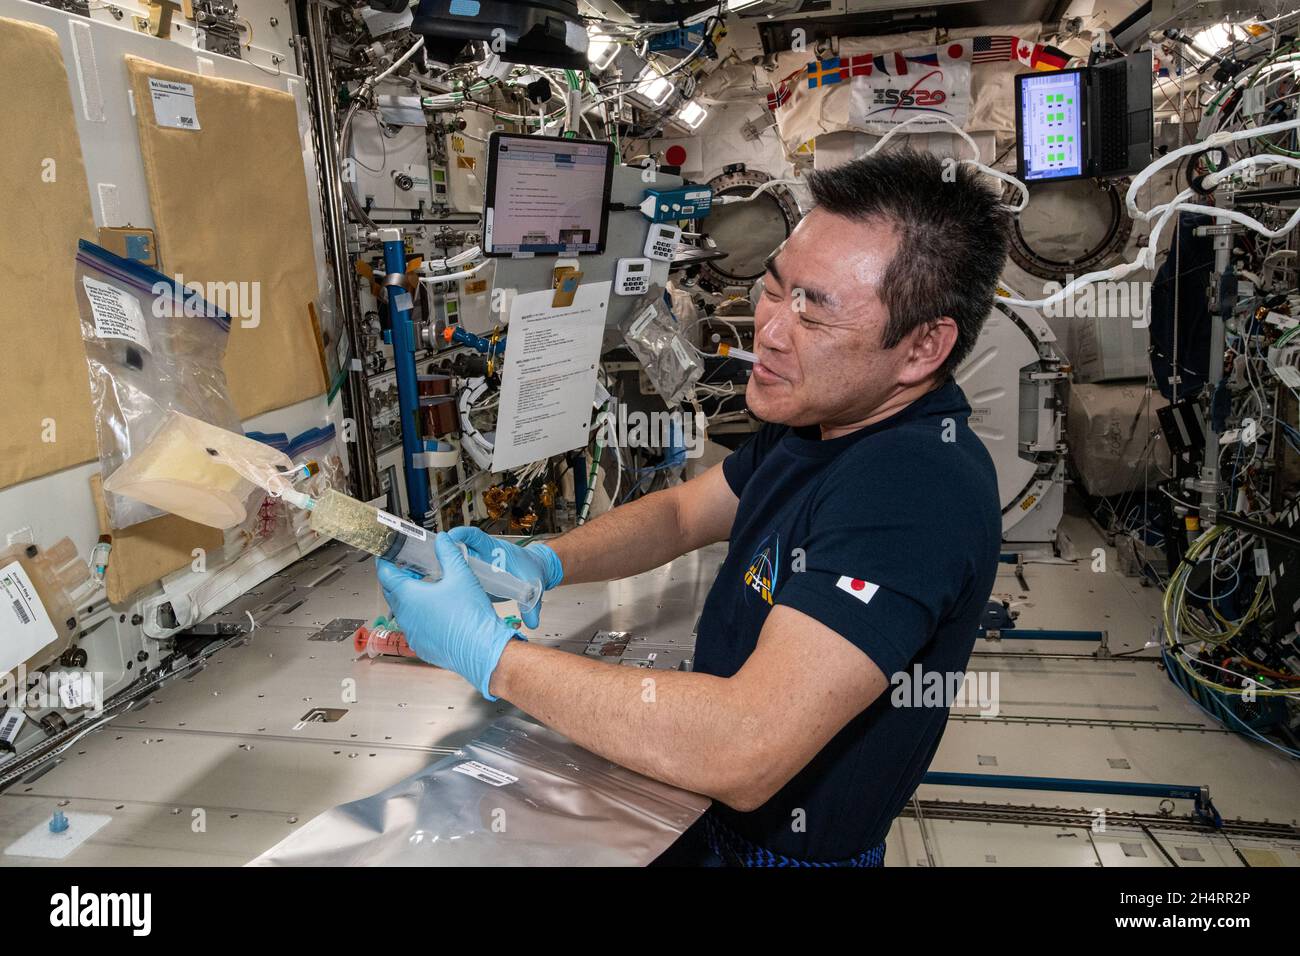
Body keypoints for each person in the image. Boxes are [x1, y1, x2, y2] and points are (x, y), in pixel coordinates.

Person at [377, 148, 1011, 866]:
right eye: (775, 288)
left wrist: (491, 656)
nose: (767, 330)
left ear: (923, 347)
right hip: (698, 812)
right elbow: (684, 514)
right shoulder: (820, 416)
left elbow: (744, 745)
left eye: (816, 312)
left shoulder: (913, 486)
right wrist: (546, 561)